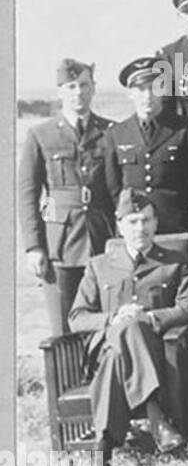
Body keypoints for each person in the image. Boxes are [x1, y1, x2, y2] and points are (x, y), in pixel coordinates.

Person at [67, 189, 188, 458]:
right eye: (133, 222)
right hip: (105, 348)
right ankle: (156, 417)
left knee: (128, 337)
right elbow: (76, 318)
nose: (141, 228)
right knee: (124, 331)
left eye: (147, 220)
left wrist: (150, 318)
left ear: (156, 223)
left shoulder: (175, 262)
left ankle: (103, 443)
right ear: (119, 226)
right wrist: (112, 318)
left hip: (157, 352)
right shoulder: (99, 265)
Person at [19, 57, 115, 336]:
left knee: (104, 321)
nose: (78, 93)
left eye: (84, 85)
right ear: (59, 91)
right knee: (63, 326)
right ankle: (65, 380)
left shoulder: (110, 132)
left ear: (94, 88)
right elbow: (27, 194)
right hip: (60, 244)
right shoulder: (41, 135)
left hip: (102, 238)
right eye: (71, 86)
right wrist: (33, 247)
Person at [104, 57, 188, 235]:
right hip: (135, 228)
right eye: (140, 89)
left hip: (175, 224)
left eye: (153, 88)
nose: (147, 95)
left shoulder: (185, 129)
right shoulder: (117, 134)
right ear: (130, 93)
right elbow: (114, 187)